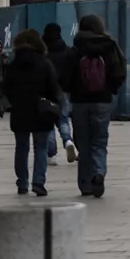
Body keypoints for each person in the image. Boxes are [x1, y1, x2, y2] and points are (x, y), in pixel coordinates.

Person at [57, 14, 127, 198]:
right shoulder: (110, 47)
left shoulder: (76, 49)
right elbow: (120, 71)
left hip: (80, 101)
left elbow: (64, 77)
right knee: (99, 140)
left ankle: (85, 185)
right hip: (103, 100)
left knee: (84, 143)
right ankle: (99, 172)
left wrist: (72, 89)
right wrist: (111, 88)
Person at [2, 29, 61, 196]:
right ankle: (38, 183)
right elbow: (53, 88)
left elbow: (7, 88)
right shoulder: (44, 63)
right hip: (41, 110)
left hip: (20, 111)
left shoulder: (14, 64)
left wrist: (15, 101)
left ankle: (22, 183)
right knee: (41, 148)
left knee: (21, 148)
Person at [41, 22, 76, 164]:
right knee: (63, 119)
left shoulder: (43, 52)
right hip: (64, 90)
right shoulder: (67, 50)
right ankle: (67, 140)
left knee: (48, 121)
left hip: (47, 91)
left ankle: (51, 154)